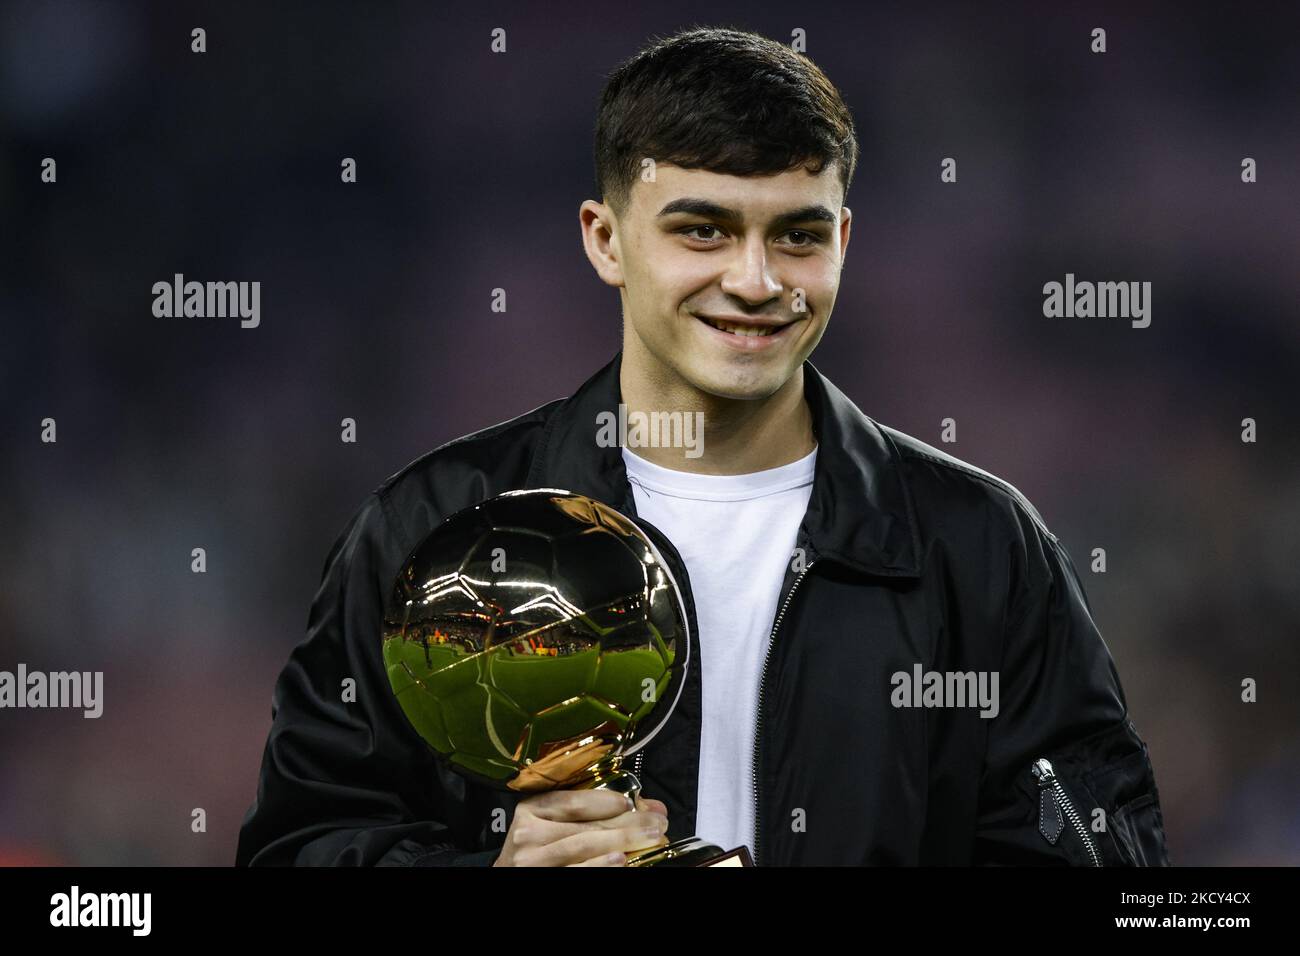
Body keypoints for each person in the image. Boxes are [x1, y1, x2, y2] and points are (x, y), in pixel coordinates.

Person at [236, 26, 1169, 867]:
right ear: (606, 241)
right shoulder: (433, 525)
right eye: (702, 230)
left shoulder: (980, 547)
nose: (755, 280)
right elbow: (300, 845)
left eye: (797, 236)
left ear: (843, 242)